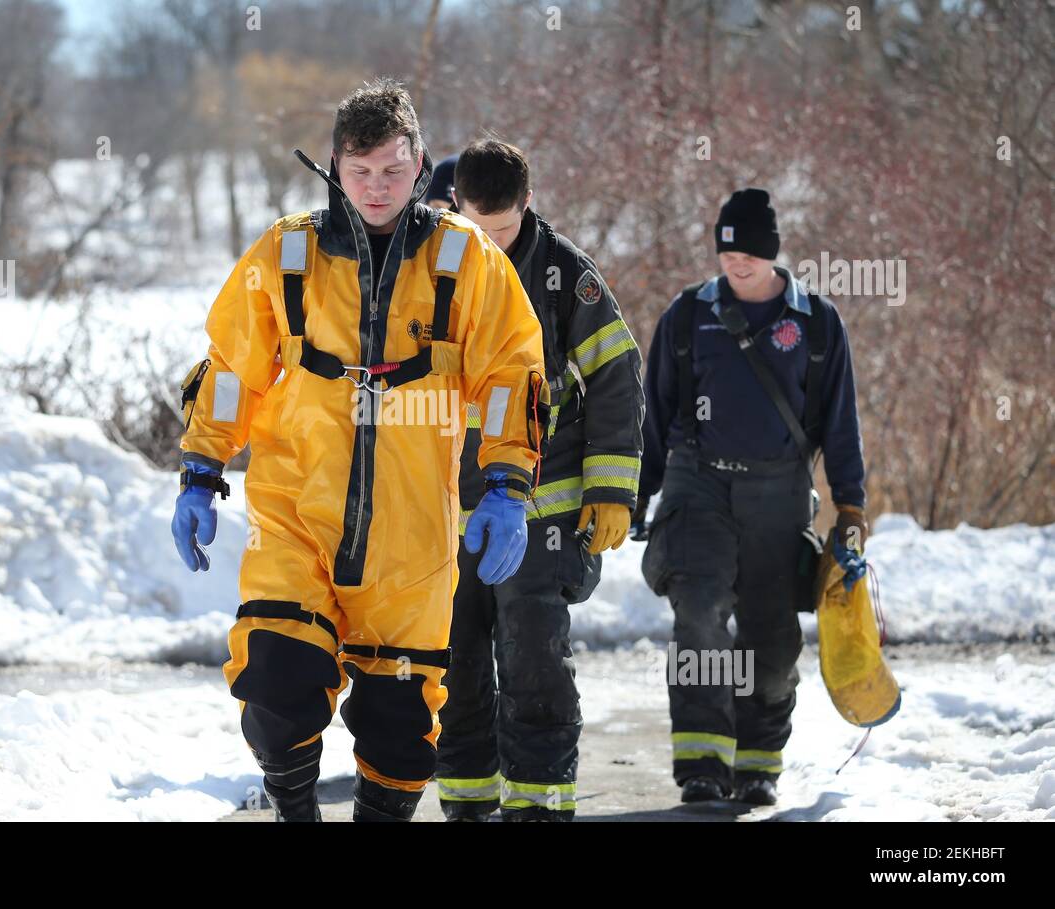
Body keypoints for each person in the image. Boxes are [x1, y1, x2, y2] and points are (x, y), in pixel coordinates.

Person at [171, 79, 547, 822]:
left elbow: (512, 372)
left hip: (410, 543)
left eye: (392, 170)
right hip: (296, 516)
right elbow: (231, 366)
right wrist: (200, 466)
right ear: (334, 168)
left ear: (419, 167)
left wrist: (507, 484)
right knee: (275, 682)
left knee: (401, 737)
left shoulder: (466, 261)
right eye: (360, 169)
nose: (376, 188)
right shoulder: (285, 255)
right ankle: (294, 809)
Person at [635, 187, 867, 806]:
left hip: (779, 487)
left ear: (772, 254)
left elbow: (840, 421)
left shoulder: (815, 323)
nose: (735, 266)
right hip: (699, 480)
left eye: (747, 257)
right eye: (726, 255)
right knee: (701, 611)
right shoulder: (688, 317)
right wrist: (635, 492)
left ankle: (758, 762)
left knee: (771, 632)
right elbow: (654, 416)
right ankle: (703, 760)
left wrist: (851, 505)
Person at [435, 139, 645, 821]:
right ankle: (468, 800)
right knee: (454, 660)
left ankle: (541, 803)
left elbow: (616, 374)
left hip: (542, 502)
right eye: (476, 230)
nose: (490, 247)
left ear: (528, 203)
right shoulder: (428, 267)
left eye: (503, 232)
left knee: (533, 658)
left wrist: (611, 489)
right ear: (452, 205)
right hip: (449, 506)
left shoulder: (564, 274)